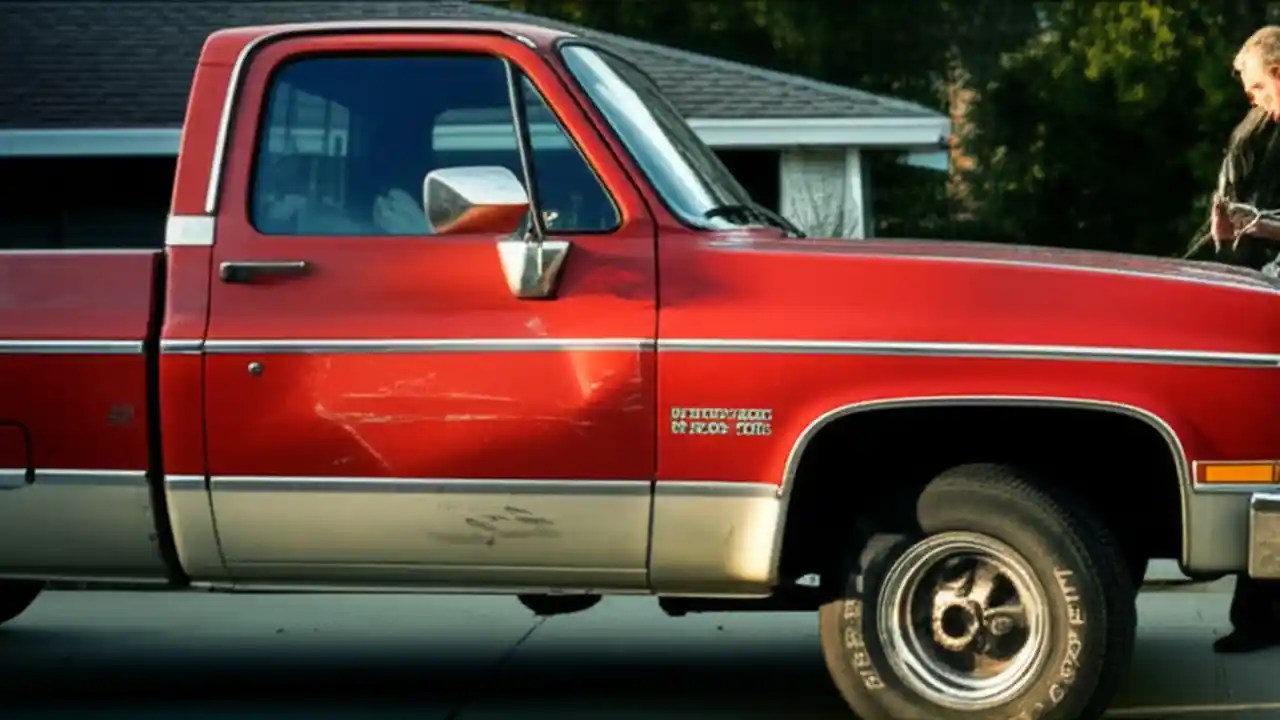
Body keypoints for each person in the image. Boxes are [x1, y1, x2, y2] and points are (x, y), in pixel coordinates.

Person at [1191, 26, 1280, 653]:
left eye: (1258, 86)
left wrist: (1253, 224)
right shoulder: (1266, 134)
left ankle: (1259, 618)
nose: (1254, 100)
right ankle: (1259, 618)